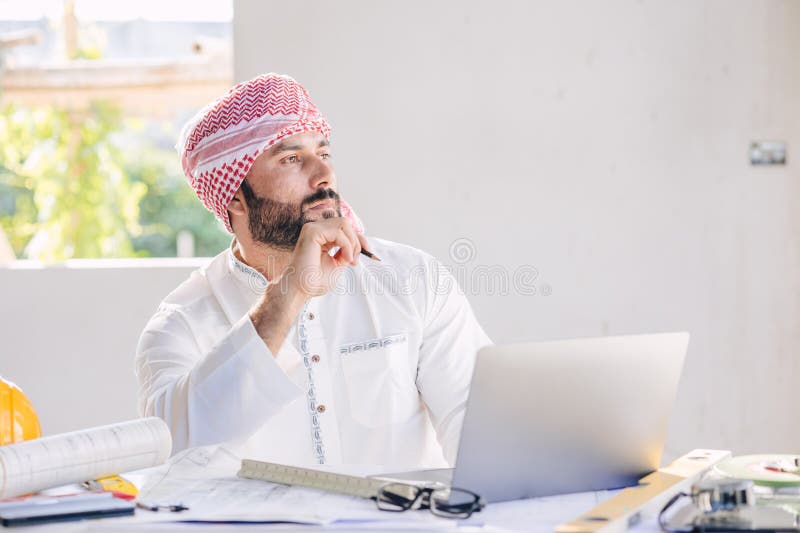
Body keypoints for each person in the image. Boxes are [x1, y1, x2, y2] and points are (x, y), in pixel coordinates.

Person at [135, 73, 491, 468]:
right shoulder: (180, 325)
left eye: (323, 153)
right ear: (235, 197)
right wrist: (288, 293)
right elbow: (176, 452)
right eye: (291, 159)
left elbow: (483, 432)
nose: (324, 176)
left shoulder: (415, 280)